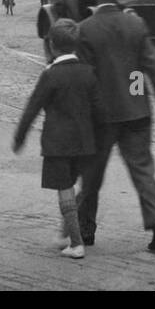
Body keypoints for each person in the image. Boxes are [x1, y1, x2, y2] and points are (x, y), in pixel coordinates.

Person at [74, 0, 155, 252]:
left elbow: (86, 77)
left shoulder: (86, 29)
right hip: (136, 111)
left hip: (101, 116)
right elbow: (150, 68)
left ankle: (85, 229)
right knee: (143, 171)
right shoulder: (136, 24)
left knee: (91, 175)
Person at [12, 19, 105, 259]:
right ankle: (68, 232)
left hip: (57, 143)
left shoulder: (50, 75)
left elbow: (32, 107)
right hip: (85, 142)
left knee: (64, 189)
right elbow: (99, 109)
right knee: (78, 188)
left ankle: (76, 242)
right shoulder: (88, 72)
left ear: (51, 45)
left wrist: (20, 136)